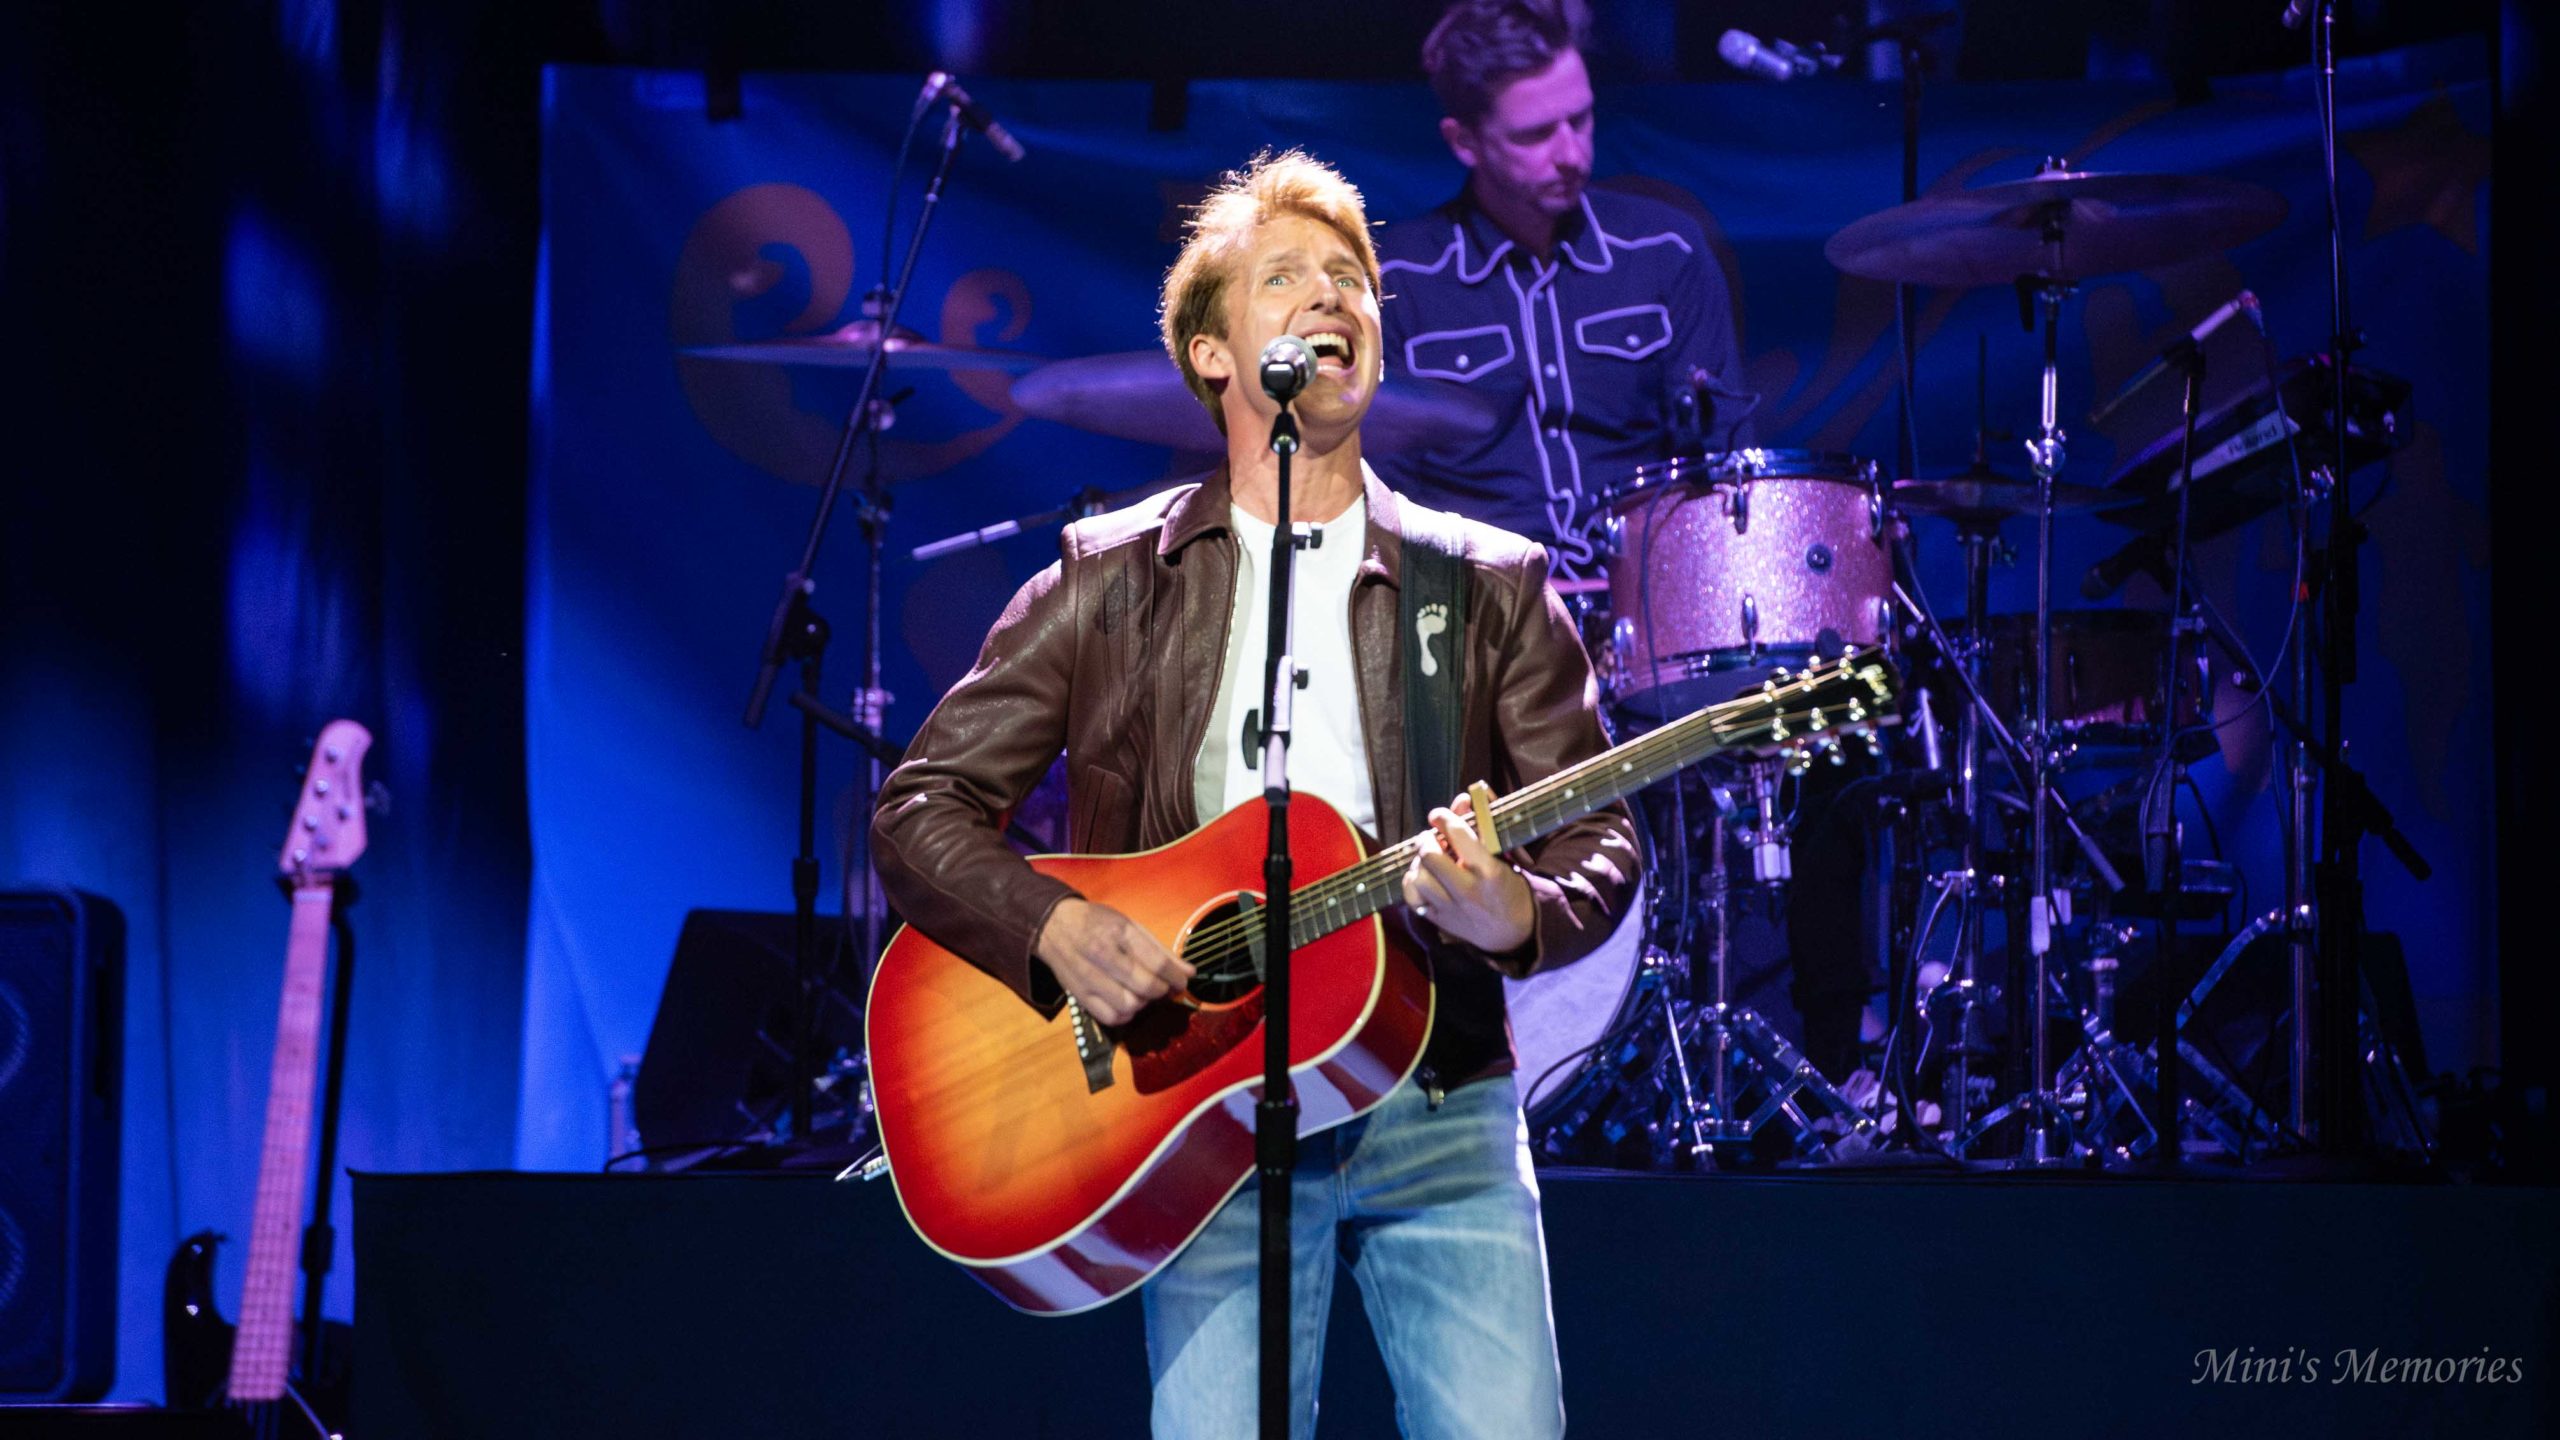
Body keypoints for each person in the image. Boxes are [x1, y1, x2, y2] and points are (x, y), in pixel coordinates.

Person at [870, 149, 1639, 1438]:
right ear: (1213, 353)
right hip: (1200, 1103)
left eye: (1353, 279)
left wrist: (1520, 917)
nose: (1332, 296)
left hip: (1436, 1092)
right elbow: (921, 809)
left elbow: (1598, 833)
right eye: (1284, 278)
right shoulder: (1106, 581)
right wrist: (1054, 928)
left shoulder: (1490, 583)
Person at [1372, 0, 1754, 580]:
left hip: (1648, 601)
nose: (1571, 155)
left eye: (1580, 119)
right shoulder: (1400, 279)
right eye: (1535, 135)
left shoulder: (1665, 252)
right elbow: (1379, 501)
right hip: (1478, 615)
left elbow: (1725, 468)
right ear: (1464, 142)